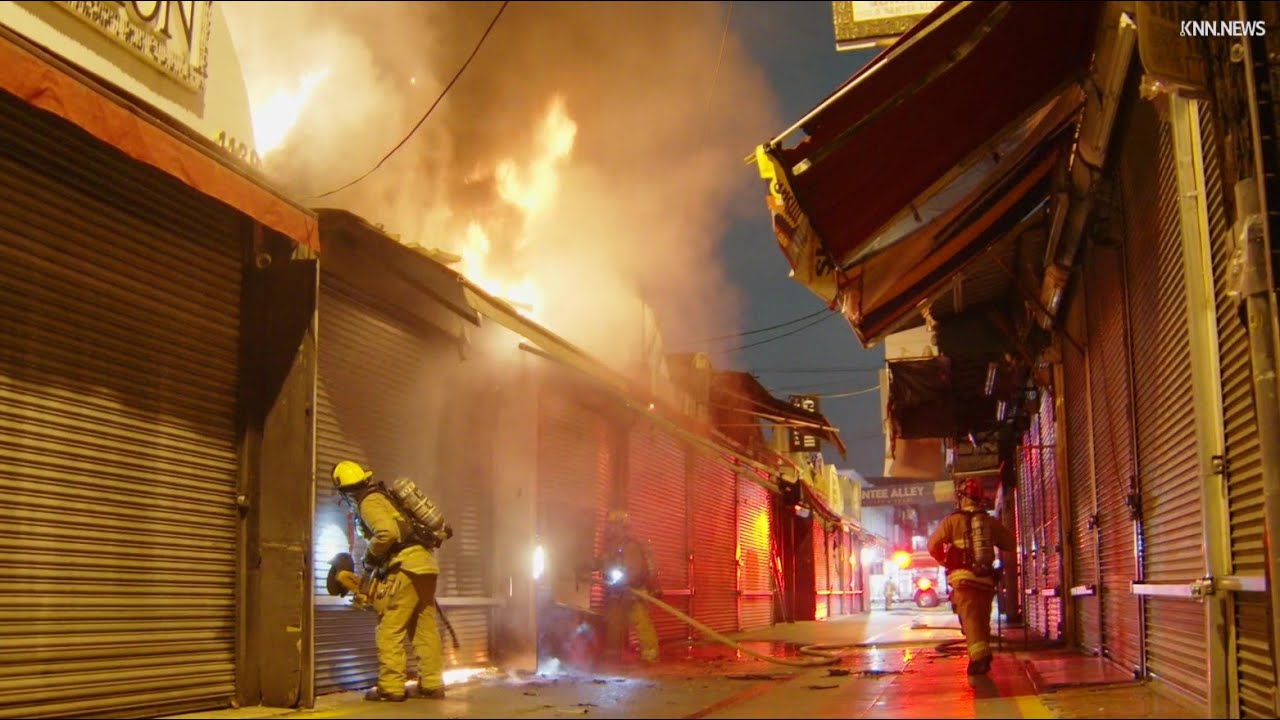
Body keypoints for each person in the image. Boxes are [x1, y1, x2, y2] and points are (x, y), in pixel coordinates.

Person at [331, 460, 447, 702]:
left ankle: (391, 687)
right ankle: (432, 684)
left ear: (346, 490)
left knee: (389, 629)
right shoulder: (384, 497)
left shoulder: (368, 502)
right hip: (425, 565)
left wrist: (369, 556)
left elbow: (388, 533)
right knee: (424, 629)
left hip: (405, 568)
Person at [927, 477, 1016, 676]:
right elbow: (1010, 543)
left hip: (963, 580)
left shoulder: (951, 521)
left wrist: (945, 560)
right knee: (982, 619)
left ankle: (979, 660)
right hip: (986, 579)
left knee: (970, 620)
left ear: (962, 498)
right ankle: (983, 654)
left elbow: (932, 545)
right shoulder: (989, 521)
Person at [596, 510, 661, 664]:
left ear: (622, 526)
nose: (609, 528)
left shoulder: (630, 546)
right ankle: (613, 655)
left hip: (633, 592)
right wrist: (587, 566)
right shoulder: (611, 546)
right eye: (609, 524)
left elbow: (634, 571)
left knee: (640, 622)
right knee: (614, 622)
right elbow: (602, 562)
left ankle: (650, 655)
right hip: (618, 592)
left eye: (613, 525)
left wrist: (621, 582)